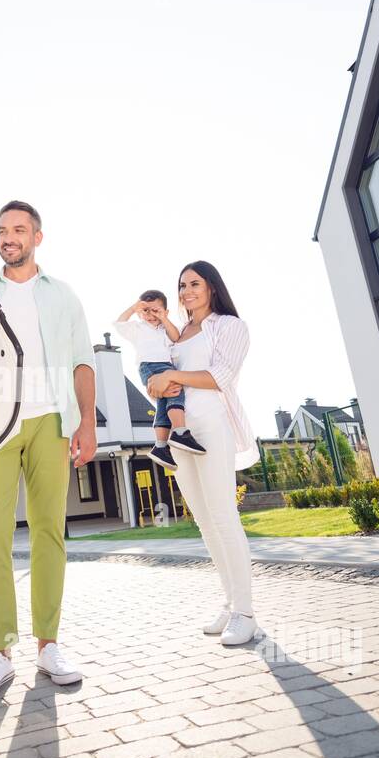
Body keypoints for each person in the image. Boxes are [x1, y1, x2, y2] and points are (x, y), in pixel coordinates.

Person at [0, 200, 97, 699]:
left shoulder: (63, 296)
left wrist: (87, 423)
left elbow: (82, 361)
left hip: (51, 421)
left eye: (18, 229)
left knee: (48, 533)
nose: (8, 237)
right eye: (1, 230)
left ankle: (48, 645)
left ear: (37, 236)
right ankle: (0, 651)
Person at [144, 261, 261, 646]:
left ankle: (245, 613)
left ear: (212, 287)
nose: (186, 291)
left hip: (212, 427)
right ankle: (230, 604)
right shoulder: (175, 335)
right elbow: (161, 374)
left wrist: (173, 377)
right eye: (181, 285)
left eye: (194, 283)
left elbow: (219, 377)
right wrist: (157, 385)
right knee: (205, 522)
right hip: (181, 434)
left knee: (224, 517)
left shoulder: (230, 326)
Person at [113, 289, 207, 471]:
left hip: (165, 366)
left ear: (165, 312)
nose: (151, 315)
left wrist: (164, 319)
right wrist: (134, 308)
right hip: (150, 366)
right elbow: (119, 323)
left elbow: (176, 337)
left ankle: (161, 446)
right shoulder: (138, 328)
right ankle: (180, 432)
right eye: (146, 311)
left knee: (163, 404)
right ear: (140, 313)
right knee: (175, 391)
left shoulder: (165, 328)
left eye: (156, 310)